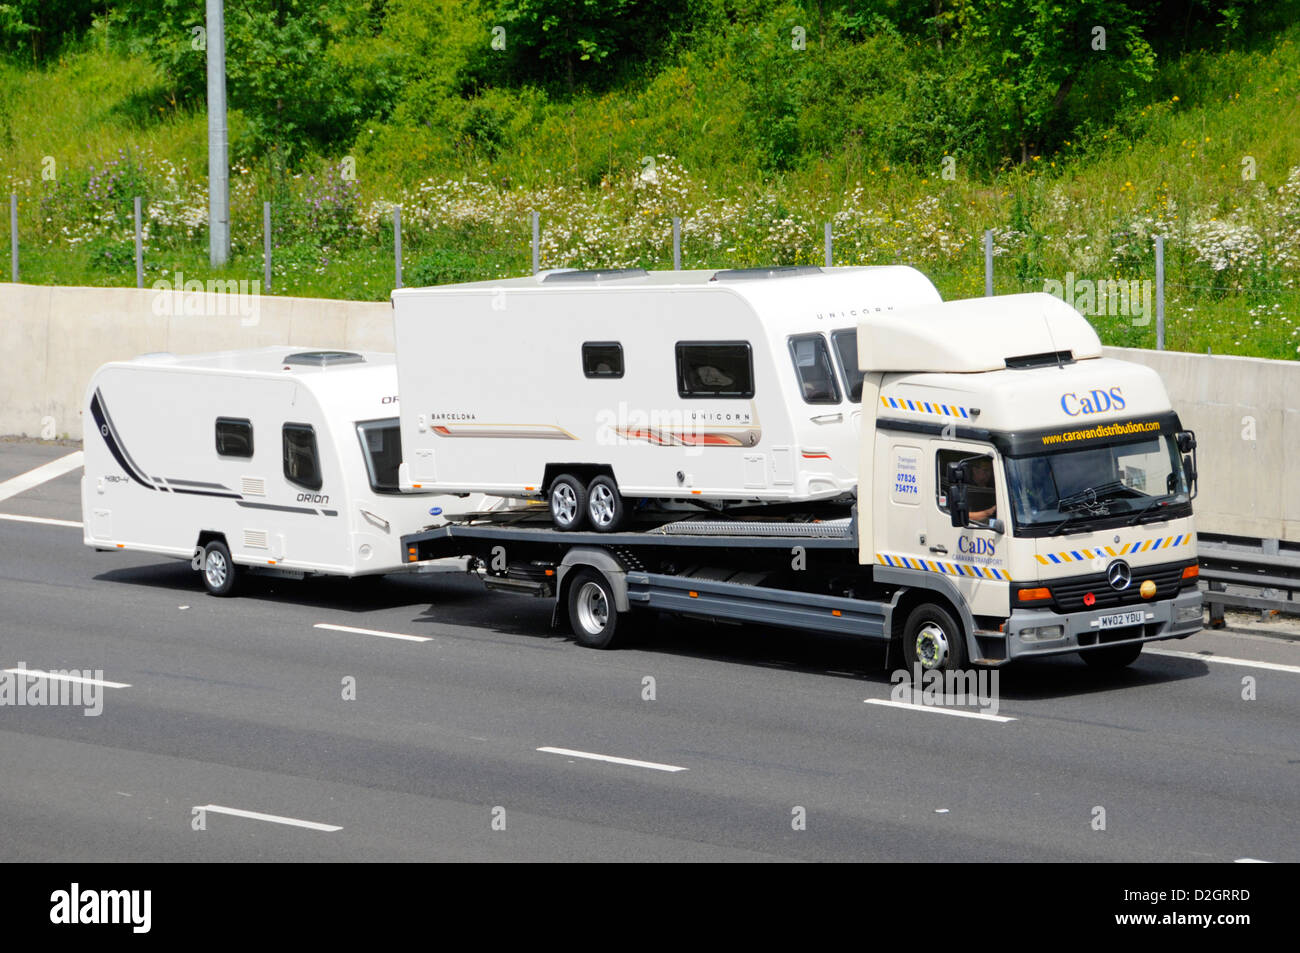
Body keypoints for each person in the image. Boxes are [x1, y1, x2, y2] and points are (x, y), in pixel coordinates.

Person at [967, 456, 997, 522]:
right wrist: (988, 512)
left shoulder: (994, 487)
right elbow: (966, 515)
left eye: (990, 470)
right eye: (985, 470)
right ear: (975, 470)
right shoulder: (968, 489)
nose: (989, 473)